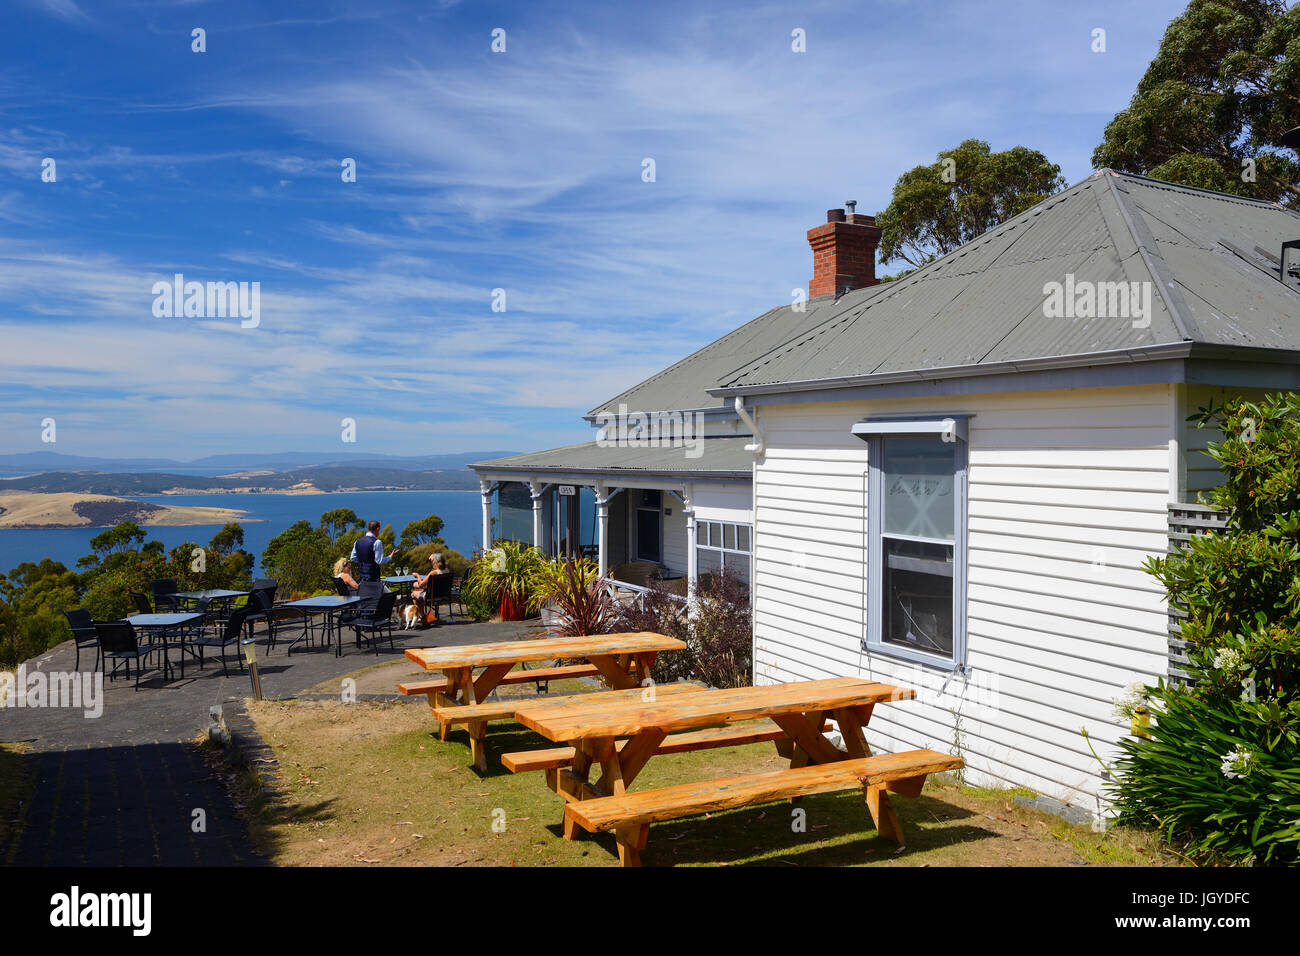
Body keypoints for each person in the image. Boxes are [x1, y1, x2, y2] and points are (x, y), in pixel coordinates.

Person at [411, 552, 450, 623]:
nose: (432, 563)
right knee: (418, 590)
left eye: (432, 561)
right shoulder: (447, 570)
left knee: (413, 594)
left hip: (432, 596)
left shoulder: (433, 573)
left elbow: (421, 584)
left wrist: (417, 575)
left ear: (435, 562)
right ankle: (423, 615)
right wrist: (433, 556)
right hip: (443, 594)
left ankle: (423, 616)